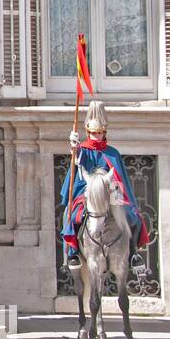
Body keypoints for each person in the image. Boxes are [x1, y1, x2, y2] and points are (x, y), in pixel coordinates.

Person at [59, 100, 149, 274]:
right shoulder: (83, 150)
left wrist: (115, 189)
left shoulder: (112, 152)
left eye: (100, 133)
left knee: (133, 217)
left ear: (104, 132)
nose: (97, 136)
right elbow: (77, 162)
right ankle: (73, 254)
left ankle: (134, 254)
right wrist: (74, 147)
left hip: (111, 193)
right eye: (93, 133)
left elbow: (118, 177)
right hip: (87, 194)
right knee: (70, 216)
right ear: (88, 132)